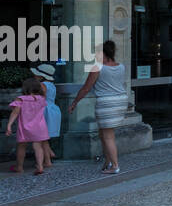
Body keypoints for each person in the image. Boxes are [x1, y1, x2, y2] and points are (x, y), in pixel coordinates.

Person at [69, 40, 127, 174]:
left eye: (96, 53)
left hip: (107, 103)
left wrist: (74, 102)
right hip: (120, 101)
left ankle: (115, 166)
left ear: (103, 53)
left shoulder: (98, 67)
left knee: (108, 135)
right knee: (103, 133)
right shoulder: (121, 67)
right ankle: (108, 161)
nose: (95, 55)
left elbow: (86, 88)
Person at [6, 77, 49, 174]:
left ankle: (19, 167)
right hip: (40, 127)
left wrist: (9, 125)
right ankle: (40, 166)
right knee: (38, 146)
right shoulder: (41, 99)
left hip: (25, 127)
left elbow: (15, 113)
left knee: (21, 146)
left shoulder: (21, 99)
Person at [29, 63, 60, 167]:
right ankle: (49, 156)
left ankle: (47, 160)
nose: (34, 76)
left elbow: (41, 99)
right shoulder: (52, 85)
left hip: (45, 111)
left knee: (41, 137)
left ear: (41, 76)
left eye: (36, 74)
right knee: (44, 138)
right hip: (52, 109)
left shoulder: (42, 85)